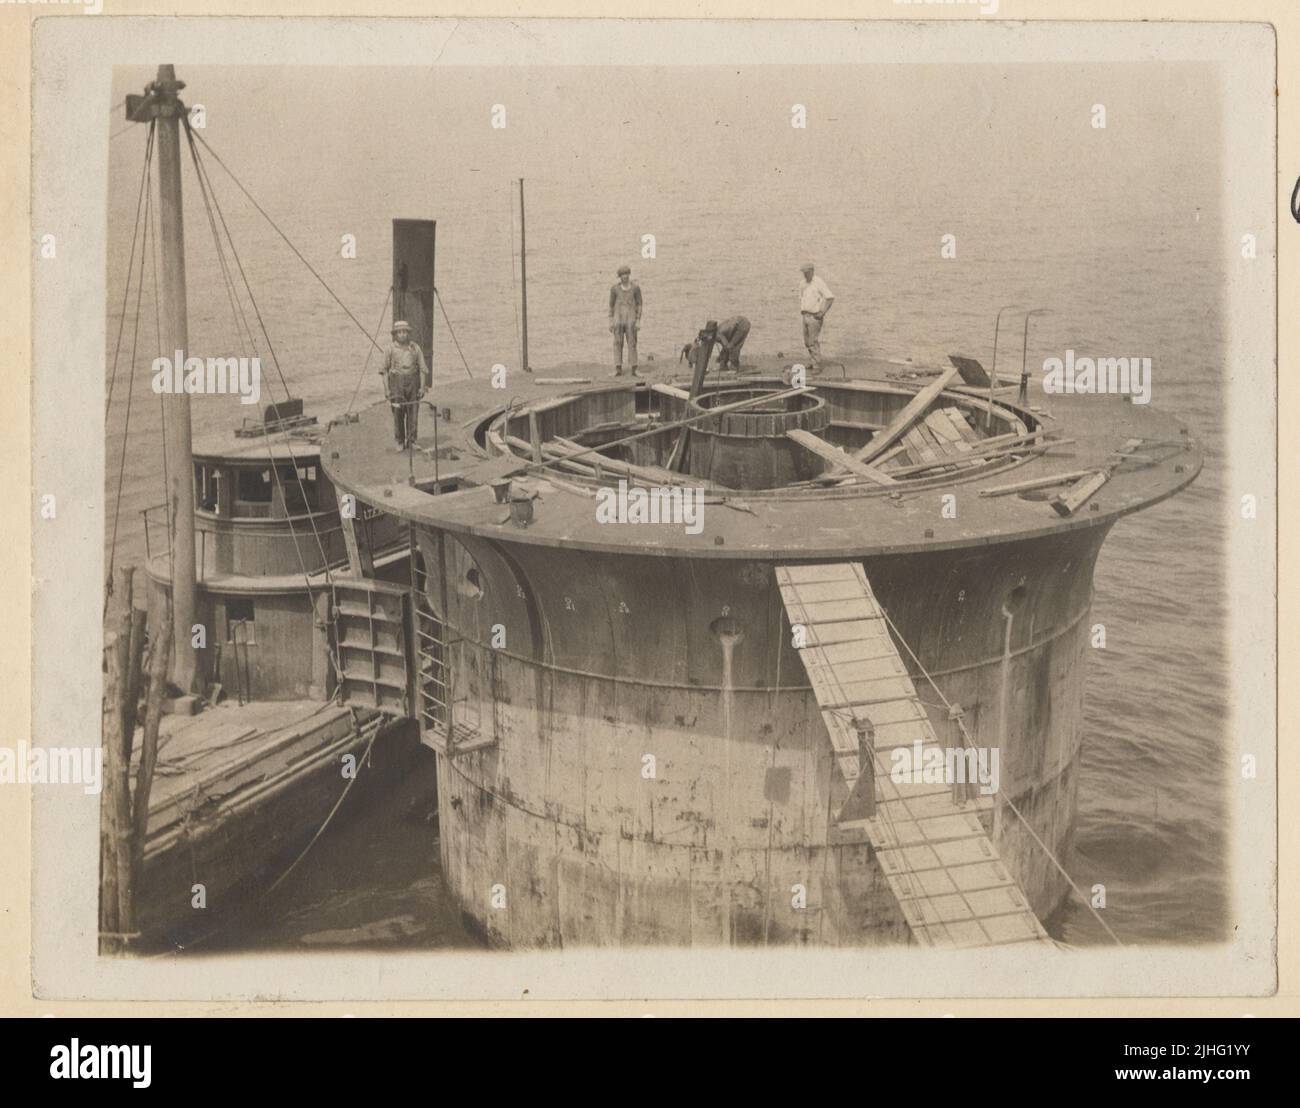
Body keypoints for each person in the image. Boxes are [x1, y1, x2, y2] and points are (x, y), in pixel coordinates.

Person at [378, 320, 429, 450]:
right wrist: (387, 389)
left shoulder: (415, 348)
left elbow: (423, 369)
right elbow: (384, 371)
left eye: (405, 332)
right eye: (399, 332)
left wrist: (422, 387)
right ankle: (400, 441)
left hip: (413, 382)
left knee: (413, 412)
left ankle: (412, 441)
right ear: (395, 334)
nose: (402, 334)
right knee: (398, 413)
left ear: (408, 333)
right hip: (396, 384)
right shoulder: (389, 349)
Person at [679, 316, 751, 373]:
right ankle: (723, 366)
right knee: (728, 346)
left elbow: (727, 346)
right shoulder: (711, 335)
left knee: (733, 346)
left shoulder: (718, 335)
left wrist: (721, 356)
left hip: (742, 325)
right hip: (735, 325)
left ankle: (734, 368)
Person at [798, 263, 835, 371]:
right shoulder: (802, 283)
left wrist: (823, 312)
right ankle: (812, 360)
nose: (805, 275)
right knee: (807, 341)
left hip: (815, 316)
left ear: (812, 271)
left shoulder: (818, 282)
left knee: (813, 341)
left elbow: (830, 297)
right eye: (804, 273)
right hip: (805, 315)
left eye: (807, 272)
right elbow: (801, 298)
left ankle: (816, 365)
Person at [608, 265, 642, 377]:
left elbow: (639, 304)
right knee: (617, 343)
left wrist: (638, 320)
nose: (625, 277)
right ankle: (618, 369)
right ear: (619, 277)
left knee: (632, 343)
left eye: (627, 274)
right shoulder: (614, 289)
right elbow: (611, 306)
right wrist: (611, 321)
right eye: (623, 275)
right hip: (618, 320)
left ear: (629, 275)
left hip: (631, 321)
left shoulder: (635, 288)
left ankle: (634, 369)